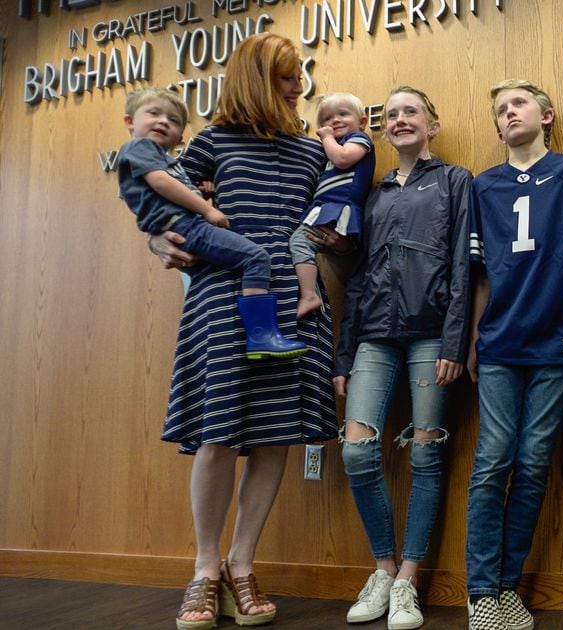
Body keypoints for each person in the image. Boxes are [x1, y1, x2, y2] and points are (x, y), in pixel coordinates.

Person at [146, 32, 345, 630]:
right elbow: (160, 207)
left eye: (298, 76)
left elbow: (328, 223)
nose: (298, 86)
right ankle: (205, 569)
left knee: (275, 436)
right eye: (286, 77)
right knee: (218, 434)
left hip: (293, 301)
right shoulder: (210, 143)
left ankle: (241, 564)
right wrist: (158, 240)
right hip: (223, 296)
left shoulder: (312, 151)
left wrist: (334, 239)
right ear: (256, 80)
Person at [463, 79, 563, 630]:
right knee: (493, 459)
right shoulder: (483, 186)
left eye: (519, 104)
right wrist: (473, 340)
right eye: (500, 109)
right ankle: (481, 592)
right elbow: (480, 276)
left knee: (533, 462)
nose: (509, 113)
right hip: (501, 342)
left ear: (547, 115)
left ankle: (506, 586)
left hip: (560, 338)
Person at [333, 86, 471, 630]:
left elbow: (463, 265)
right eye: (391, 115)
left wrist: (455, 342)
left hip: (432, 335)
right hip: (373, 335)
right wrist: (344, 355)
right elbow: (357, 277)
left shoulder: (455, 181)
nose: (399, 120)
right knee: (356, 453)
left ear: (432, 125)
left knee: (425, 456)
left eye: (410, 111)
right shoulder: (373, 194)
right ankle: (384, 569)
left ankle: (409, 580)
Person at [117, 87, 307, 360]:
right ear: (129, 121)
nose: (163, 122)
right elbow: (161, 183)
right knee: (256, 258)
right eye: (154, 113)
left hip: (183, 224)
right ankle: (261, 334)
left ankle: (255, 335)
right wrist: (206, 208)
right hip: (186, 225)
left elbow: (172, 186)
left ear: (181, 136)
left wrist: (201, 190)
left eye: (173, 120)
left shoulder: (167, 160)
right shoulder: (142, 147)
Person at [293, 91, 376, 319]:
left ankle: (309, 295)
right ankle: (309, 293)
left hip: (339, 207)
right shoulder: (332, 149)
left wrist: (327, 137)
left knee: (299, 242)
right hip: (328, 208)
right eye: (327, 118)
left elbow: (342, 159)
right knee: (302, 243)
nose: (335, 120)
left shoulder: (358, 139)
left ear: (362, 122)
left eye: (343, 114)